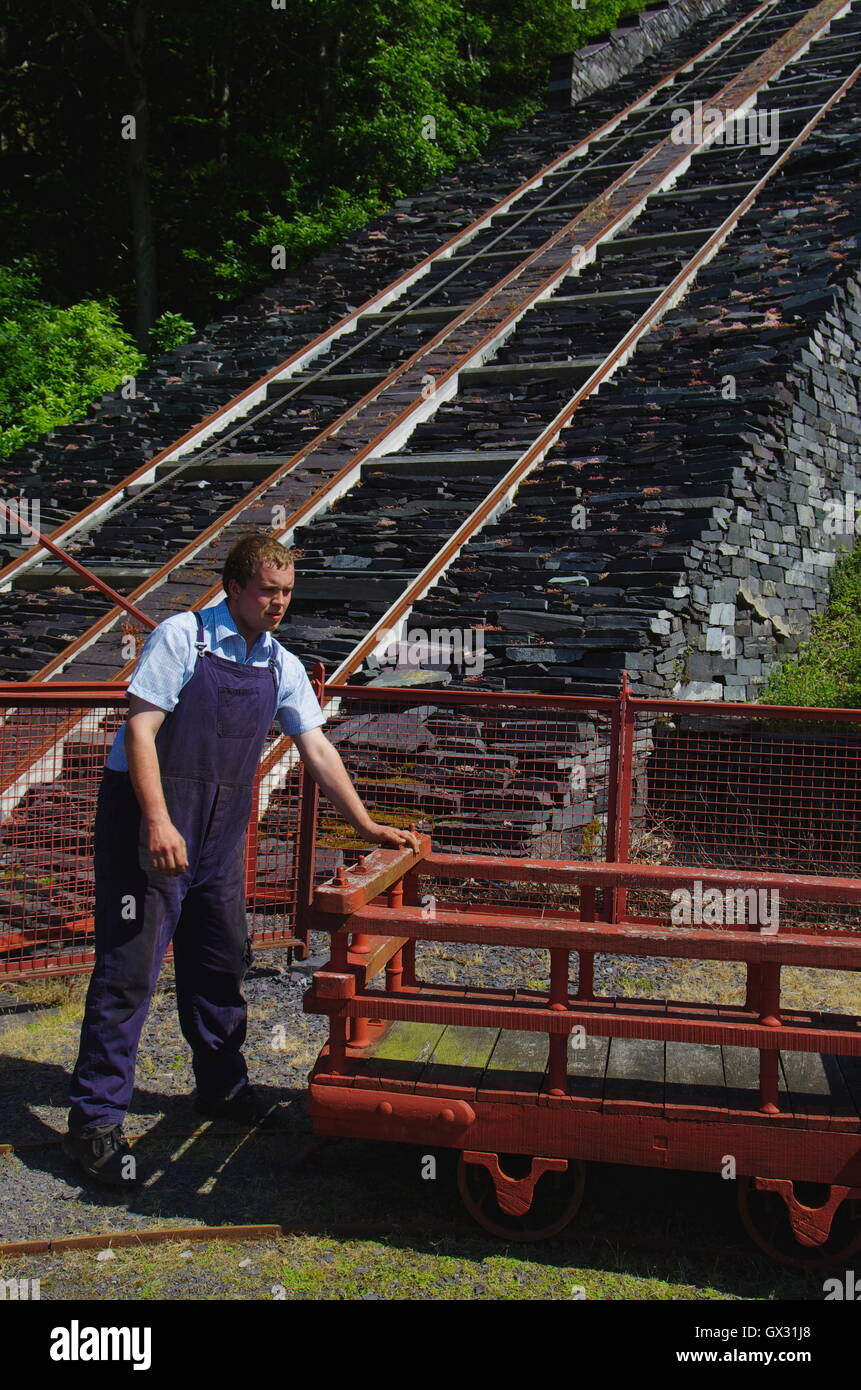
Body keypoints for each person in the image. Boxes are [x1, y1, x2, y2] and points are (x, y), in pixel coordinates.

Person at [63, 533, 419, 1188]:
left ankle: (221, 1090)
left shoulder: (279, 662)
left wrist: (365, 822)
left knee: (220, 959)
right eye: (267, 590)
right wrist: (159, 822)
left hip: (219, 831)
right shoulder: (183, 637)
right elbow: (140, 730)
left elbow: (315, 748)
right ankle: (94, 1123)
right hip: (150, 825)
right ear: (234, 587)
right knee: (128, 972)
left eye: (286, 591)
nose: (278, 602)